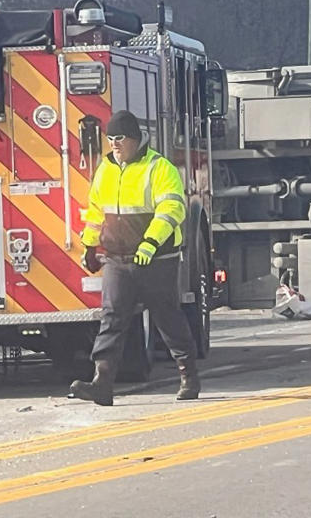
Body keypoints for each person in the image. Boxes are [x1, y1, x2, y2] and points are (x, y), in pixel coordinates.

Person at [71, 110, 201, 405]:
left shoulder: (159, 168)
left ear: (136, 139)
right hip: (117, 259)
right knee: (111, 319)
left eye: (120, 138)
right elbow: (95, 212)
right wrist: (90, 247)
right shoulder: (105, 169)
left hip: (157, 260)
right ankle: (101, 384)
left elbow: (171, 211)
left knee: (167, 317)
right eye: (111, 138)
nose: (115, 144)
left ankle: (189, 377)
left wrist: (150, 244)